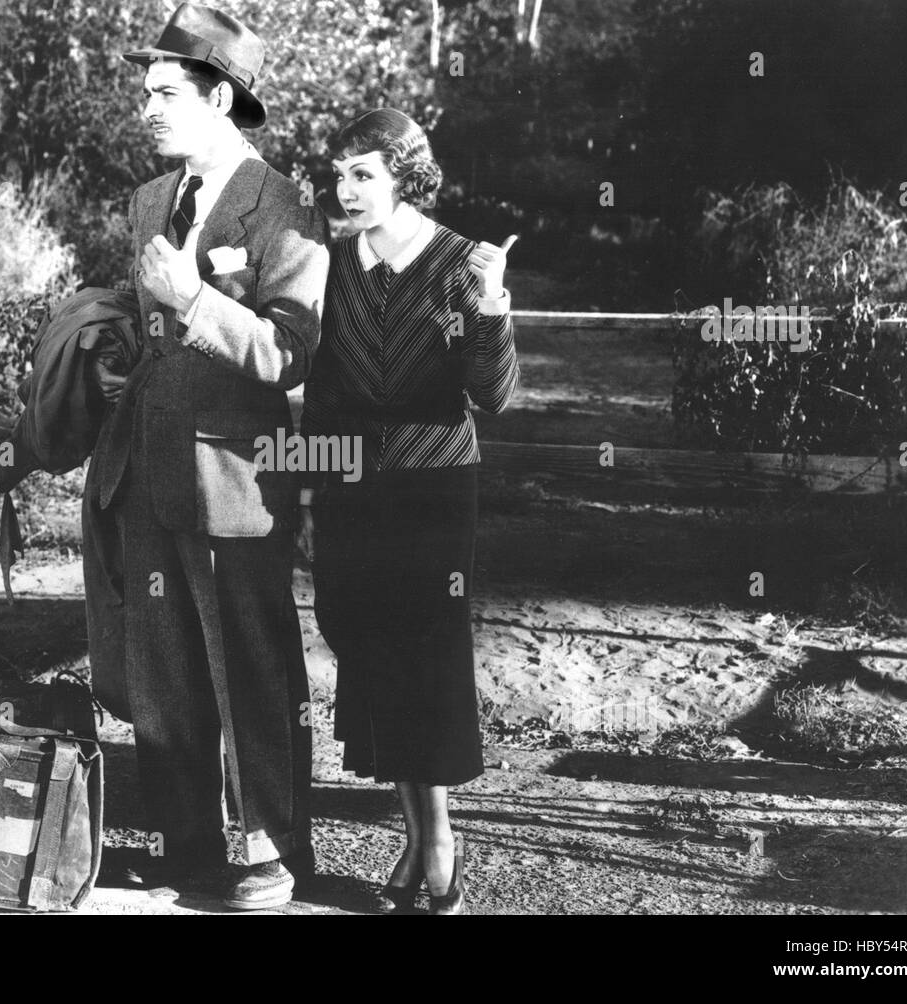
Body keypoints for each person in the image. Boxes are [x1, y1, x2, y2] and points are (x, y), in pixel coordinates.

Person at [85, 3, 329, 910]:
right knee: (162, 667)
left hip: (236, 477)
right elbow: (149, 326)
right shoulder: (148, 201)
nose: (146, 107)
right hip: (146, 469)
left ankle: (270, 848)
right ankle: (188, 844)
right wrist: (116, 361)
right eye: (143, 91)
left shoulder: (286, 204)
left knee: (251, 666)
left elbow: (290, 351)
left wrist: (193, 298)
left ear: (220, 95)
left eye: (165, 92)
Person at [298, 108, 519, 915]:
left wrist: (493, 307)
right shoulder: (332, 264)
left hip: (432, 492)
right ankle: (415, 840)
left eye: (364, 173)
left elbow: (493, 398)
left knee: (425, 660)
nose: (345, 189)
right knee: (369, 649)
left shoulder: (463, 263)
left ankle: (438, 846)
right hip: (355, 489)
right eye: (339, 174)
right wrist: (312, 489)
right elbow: (322, 394)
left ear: (406, 176)